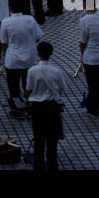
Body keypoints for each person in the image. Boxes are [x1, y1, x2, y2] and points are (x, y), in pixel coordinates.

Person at [24, 41, 66, 171]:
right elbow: (63, 88)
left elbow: (28, 89)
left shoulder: (32, 71)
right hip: (52, 108)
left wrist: (27, 97)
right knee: (52, 141)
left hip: (37, 109)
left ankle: (38, 166)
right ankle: (53, 166)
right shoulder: (56, 71)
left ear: (38, 53)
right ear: (51, 54)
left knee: (39, 139)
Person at [1, 0, 43, 104]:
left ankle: (16, 105)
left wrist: (5, 56)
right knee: (28, 84)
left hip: (12, 59)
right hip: (29, 58)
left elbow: (4, 42)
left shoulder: (5, 22)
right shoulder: (30, 19)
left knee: (13, 85)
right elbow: (38, 36)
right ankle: (29, 104)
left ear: (10, 7)